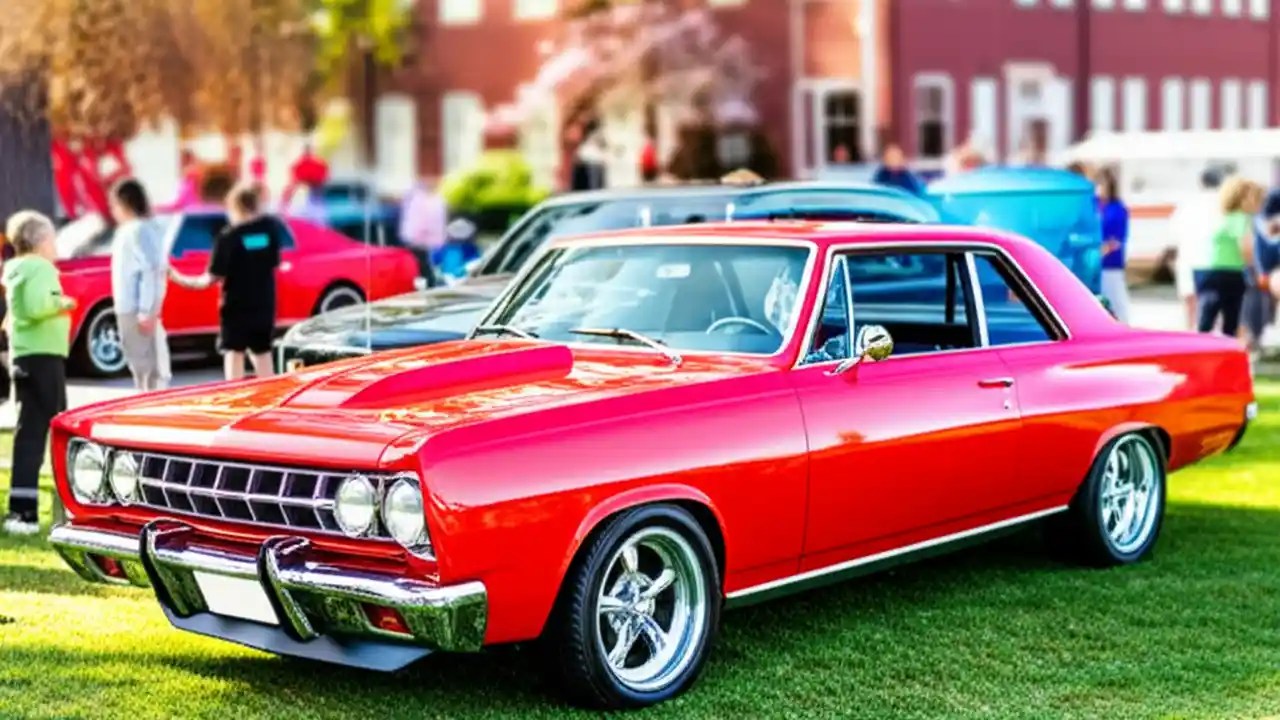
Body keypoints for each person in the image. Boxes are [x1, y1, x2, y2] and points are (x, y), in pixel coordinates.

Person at [2, 210, 74, 535]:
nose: (55, 245)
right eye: (53, 238)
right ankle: (66, 505)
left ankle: (22, 509)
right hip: (45, 358)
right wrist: (63, 302)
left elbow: (17, 313)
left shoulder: (15, 269)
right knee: (60, 430)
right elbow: (36, 306)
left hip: (25, 357)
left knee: (28, 433)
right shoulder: (41, 268)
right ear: (41, 241)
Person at [169, 183, 282, 381]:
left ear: (236, 208)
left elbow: (209, 279)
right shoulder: (270, 232)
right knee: (262, 352)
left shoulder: (229, 237)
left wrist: (176, 277)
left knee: (234, 352)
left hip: (236, 309)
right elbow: (273, 262)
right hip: (264, 306)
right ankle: (271, 395)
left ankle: (235, 396)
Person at [109, 178, 172, 391]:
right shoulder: (136, 229)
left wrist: (146, 310)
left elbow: (151, 269)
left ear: (124, 203)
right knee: (141, 369)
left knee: (147, 371)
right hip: (131, 308)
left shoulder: (138, 230)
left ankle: (151, 408)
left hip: (135, 310)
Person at [1193, 176, 1260, 337]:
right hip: (1231, 271)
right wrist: (1253, 268)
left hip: (1207, 269)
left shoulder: (1220, 216)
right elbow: (1245, 247)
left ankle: (1201, 343)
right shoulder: (1241, 218)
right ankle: (1228, 346)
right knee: (1231, 316)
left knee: (1207, 313)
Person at [1171, 169, 1225, 330]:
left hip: (1188, 259)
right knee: (1216, 311)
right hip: (1214, 262)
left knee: (1191, 309)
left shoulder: (1188, 204)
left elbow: (1174, 235)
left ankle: (1191, 338)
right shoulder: (1223, 204)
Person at [1243, 188, 1280, 354]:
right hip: (1261, 270)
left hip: (1265, 269)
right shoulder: (1259, 221)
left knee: (1259, 302)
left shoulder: (1259, 220)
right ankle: (1255, 338)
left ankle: (1256, 338)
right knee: (1257, 301)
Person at [1095, 167, 1131, 323]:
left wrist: (1101, 250)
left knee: (1116, 303)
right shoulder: (1092, 206)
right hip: (1093, 265)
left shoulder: (1117, 209)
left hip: (1111, 265)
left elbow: (1118, 239)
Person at [399, 176, 448, 281]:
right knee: (424, 263)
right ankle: (430, 280)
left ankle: (429, 280)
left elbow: (421, 220)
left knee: (423, 263)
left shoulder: (423, 200)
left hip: (420, 238)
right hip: (422, 238)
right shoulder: (430, 199)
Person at [431, 218, 482, 284]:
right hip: (446, 279)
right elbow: (432, 263)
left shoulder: (470, 248)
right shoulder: (441, 248)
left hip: (463, 279)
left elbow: (475, 263)